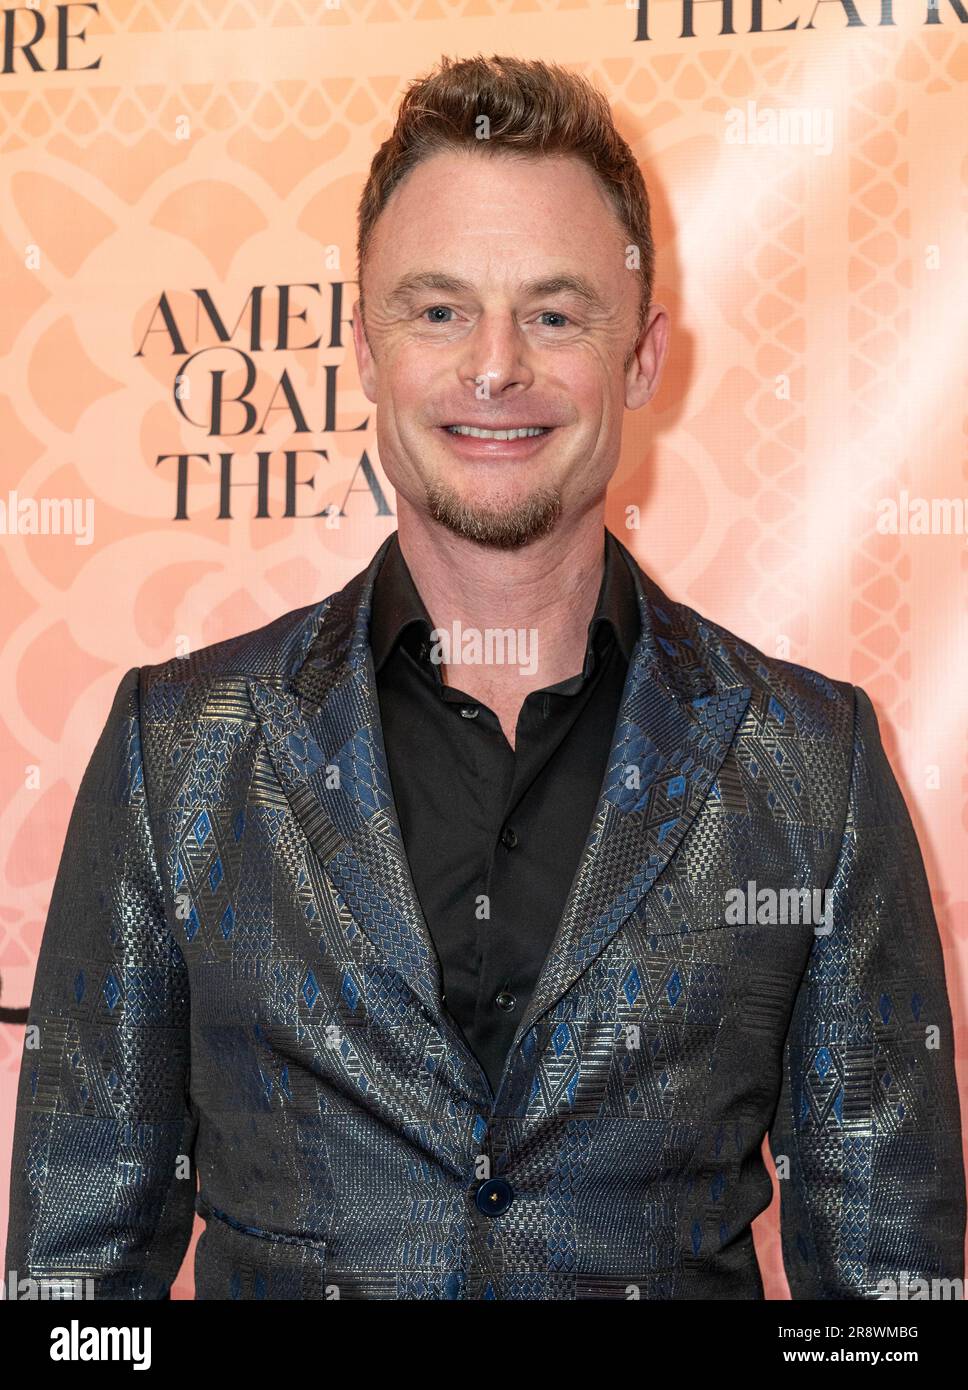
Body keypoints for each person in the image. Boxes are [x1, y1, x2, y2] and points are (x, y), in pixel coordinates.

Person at [6, 54, 964, 1301]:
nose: (495, 367)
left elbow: (889, 1306)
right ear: (363, 348)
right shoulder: (179, 747)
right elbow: (73, 1299)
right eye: (438, 309)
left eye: (555, 313)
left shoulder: (808, 763)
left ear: (640, 359)